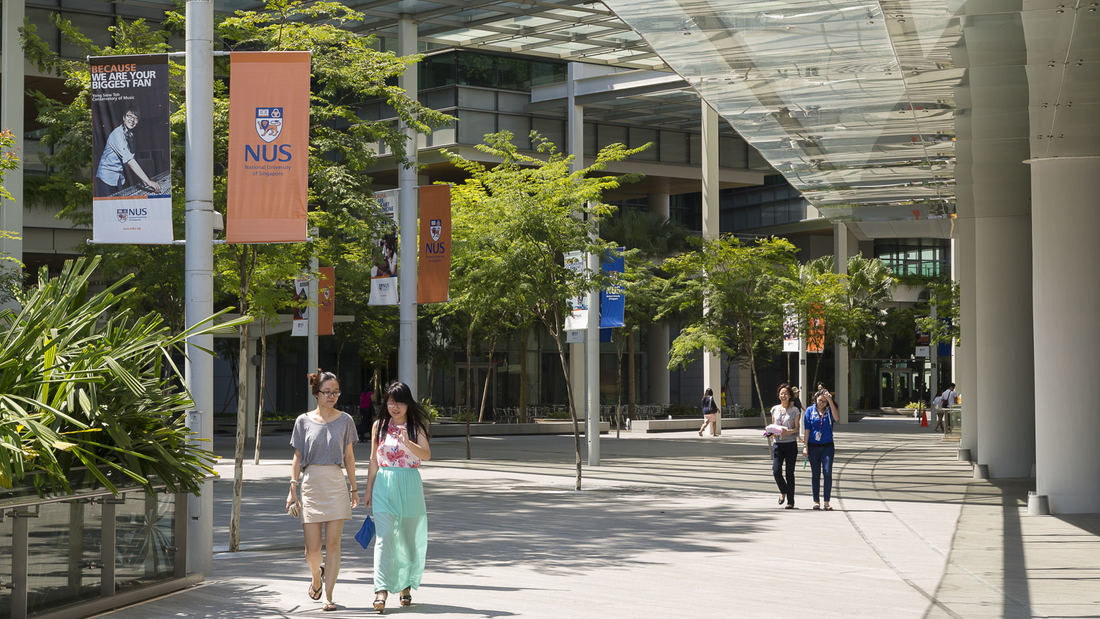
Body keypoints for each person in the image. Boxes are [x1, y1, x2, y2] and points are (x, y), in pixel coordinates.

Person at [287, 370, 359, 612]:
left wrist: (354, 488)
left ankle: (328, 595)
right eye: (327, 392)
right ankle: (316, 577)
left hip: (336, 483)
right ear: (316, 393)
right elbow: (297, 457)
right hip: (311, 486)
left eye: (335, 392)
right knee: (312, 550)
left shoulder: (346, 420)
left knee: (334, 544)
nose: (331, 396)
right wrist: (292, 489)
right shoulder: (303, 421)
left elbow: (349, 457)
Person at [367, 381, 432, 613]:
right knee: (384, 538)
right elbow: (374, 460)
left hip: (410, 484)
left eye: (400, 402)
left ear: (408, 404)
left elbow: (426, 455)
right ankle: (380, 590)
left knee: (407, 539)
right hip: (384, 485)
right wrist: (368, 489)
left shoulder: (416, 427)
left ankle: (405, 585)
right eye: (391, 401)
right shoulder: (379, 426)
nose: (395, 406)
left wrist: (408, 442)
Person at [94, 108, 162, 196]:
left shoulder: (130, 135)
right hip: (105, 179)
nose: (132, 120)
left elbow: (131, 157)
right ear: (123, 118)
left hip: (119, 178)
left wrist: (142, 178)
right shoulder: (117, 134)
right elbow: (130, 160)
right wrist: (148, 181)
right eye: (129, 116)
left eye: (136, 118)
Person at [803, 388, 839, 511]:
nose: (821, 403)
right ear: (815, 400)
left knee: (827, 472)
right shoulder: (809, 411)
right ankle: (816, 501)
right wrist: (805, 446)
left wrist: (830, 399)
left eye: (824, 401)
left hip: (827, 446)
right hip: (813, 447)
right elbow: (807, 430)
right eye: (820, 400)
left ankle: (827, 501)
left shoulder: (829, 411)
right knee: (815, 474)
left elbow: (837, 418)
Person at [769, 383, 802, 509]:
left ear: (790, 396)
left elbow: (796, 428)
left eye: (786, 393)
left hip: (790, 445)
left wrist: (787, 432)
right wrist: (770, 433)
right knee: (776, 471)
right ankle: (783, 491)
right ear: (778, 395)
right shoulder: (774, 409)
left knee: (789, 473)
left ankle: (791, 501)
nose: (783, 395)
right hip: (777, 445)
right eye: (781, 393)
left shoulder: (795, 410)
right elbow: (773, 426)